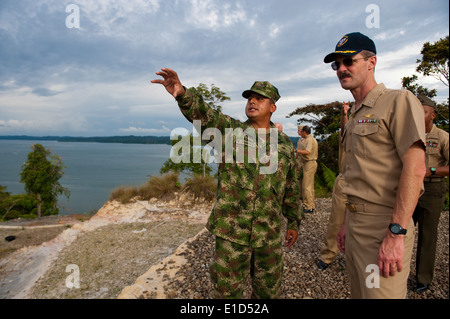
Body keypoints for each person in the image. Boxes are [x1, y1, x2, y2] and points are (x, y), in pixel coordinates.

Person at [151, 68, 302, 299]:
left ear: (273, 107)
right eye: (250, 98)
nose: (252, 101)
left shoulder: (284, 144)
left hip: (268, 234)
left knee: (268, 292)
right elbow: (205, 115)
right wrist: (182, 94)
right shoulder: (230, 132)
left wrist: (293, 220)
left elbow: (290, 186)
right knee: (226, 294)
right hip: (233, 233)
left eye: (260, 98)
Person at [326, 32, 426, 299]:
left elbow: (415, 169)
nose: (342, 69)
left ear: (372, 62)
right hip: (356, 224)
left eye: (349, 61)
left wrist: (396, 233)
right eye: (337, 64)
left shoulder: (397, 101)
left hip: (384, 226)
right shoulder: (357, 113)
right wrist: (347, 221)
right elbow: (356, 174)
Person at [412, 94, 449, 293]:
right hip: (409, 188)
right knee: (401, 230)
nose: (418, 115)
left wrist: (431, 170)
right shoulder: (410, 134)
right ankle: (395, 273)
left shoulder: (442, 137)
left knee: (427, 237)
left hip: (432, 190)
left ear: (432, 114)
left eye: (423, 111)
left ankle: (423, 278)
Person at [317, 101, 349, 270]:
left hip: (368, 183)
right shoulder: (347, 137)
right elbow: (344, 130)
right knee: (336, 221)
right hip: (346, 181)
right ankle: (328, 255)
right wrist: (344, 115)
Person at [296, 125, 318, 214]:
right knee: (309, 185)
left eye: (301, 132)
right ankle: (310, 205)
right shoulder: (309, 139)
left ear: (304, 132)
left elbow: (307, 151)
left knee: (307, 186)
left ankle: (308, 206)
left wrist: (295, 151)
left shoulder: (309, 140)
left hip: (310, 163)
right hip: (307, 163)